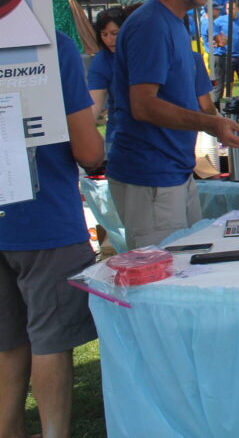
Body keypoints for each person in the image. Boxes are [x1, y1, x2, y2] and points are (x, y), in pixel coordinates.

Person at [106, 0, 239, 249]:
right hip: (150, 175)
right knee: (161, 279)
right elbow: (143, 106)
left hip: (173, 170)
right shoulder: (151, 24)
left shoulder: (173, 22)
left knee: (185, 266)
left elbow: (180, 97)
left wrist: (213, 120)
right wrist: (210, 124)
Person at [0, 32, 105, 438]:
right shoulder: (47, 43)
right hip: (43, 220)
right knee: (50, 341)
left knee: (8, 342)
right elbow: (88, 150)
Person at [87, 6, 126, 153]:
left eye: (115, 33)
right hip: (119, 136)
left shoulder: (144, 54)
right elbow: (94, 104)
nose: (109, 39)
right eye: (104, 34)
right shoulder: (102, 60)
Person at [211, 0, 239, 98]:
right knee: (229, 86)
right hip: (227, 57)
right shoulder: (219, 21)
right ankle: (229, 107)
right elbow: (211, 34)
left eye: (232, 9)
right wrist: (214, 42)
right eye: (227, 9)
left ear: (238, 9)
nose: (229, 11)